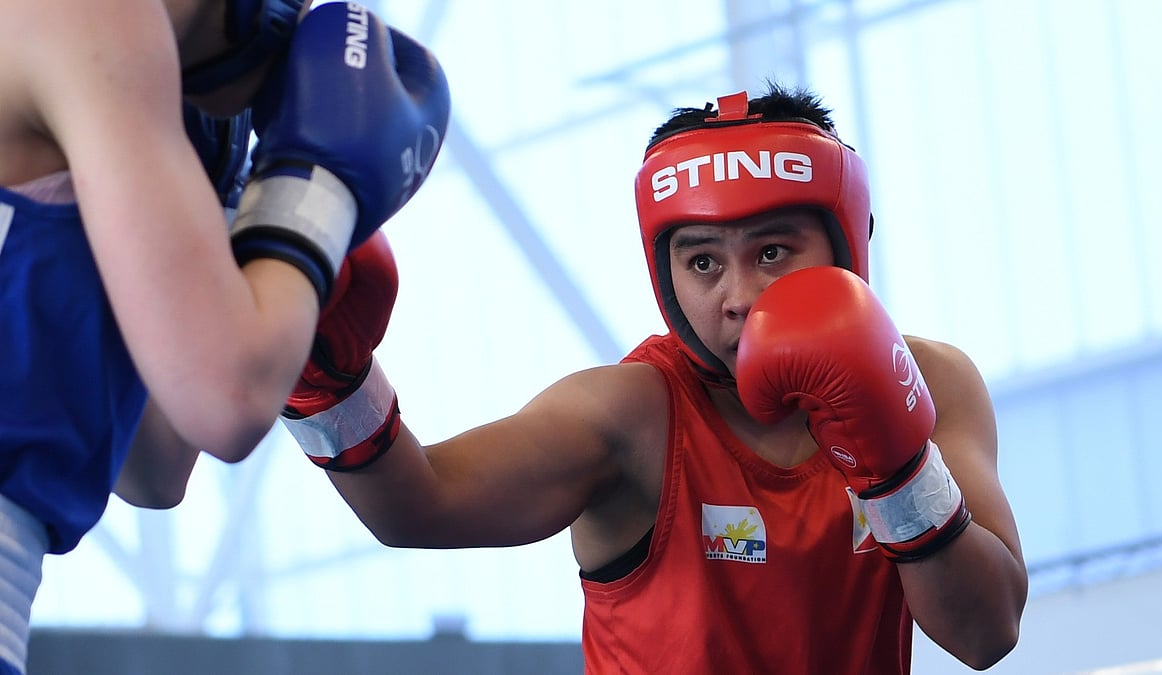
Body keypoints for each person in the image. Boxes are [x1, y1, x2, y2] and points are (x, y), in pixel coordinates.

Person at [282, 83, 1026, 673]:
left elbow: (986, 632)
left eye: (773, 251)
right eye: (702, 260)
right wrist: (330, 385)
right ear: (665, 273)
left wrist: (894, 462)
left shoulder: (931, 383)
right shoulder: (629, 416)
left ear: (847, 240)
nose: (737, 296)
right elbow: (421, 505)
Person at [0, 0, 449, 672]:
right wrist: (316, 189)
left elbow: (155, 464)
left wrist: (237, 216)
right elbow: (230, 397)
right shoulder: (95, 18)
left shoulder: (106, 80)